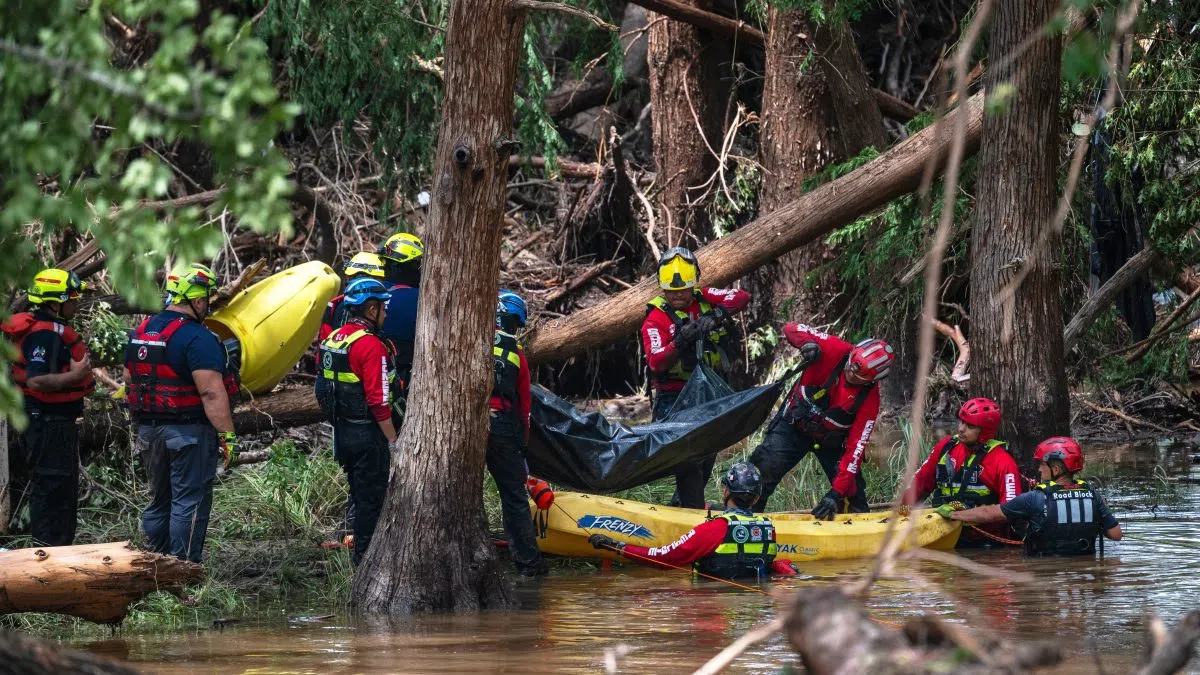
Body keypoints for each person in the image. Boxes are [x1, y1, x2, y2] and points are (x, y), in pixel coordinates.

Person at [124, 263, 239, 562]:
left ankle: (154, 565)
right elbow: (211, 392)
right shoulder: (198, 338)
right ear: (197, 301)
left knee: (159, 500)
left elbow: (128, 378)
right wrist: (228, 436)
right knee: (189, 502)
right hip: (188, 432)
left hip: (149, 431)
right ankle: (183, 571)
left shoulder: (141, 331)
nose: (208, 305)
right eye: (207, 300)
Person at [640, 247, 750, 508]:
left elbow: (741, 296)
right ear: (662, 287)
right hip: (675, 399)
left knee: (706, 459)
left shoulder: (705, 298)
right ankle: (692, 512)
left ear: (694, 284)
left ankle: (681, 510)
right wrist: (680, 342)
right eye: (672, 290)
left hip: (708, 392)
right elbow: (656, 361)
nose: (678, 295)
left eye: (684, 289)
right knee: (688, 461)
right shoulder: (655, 319)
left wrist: (714, 317)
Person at [749, 325, 893, 518]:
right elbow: (791, 328)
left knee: (852, 495)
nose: (849, 373)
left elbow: (855, 449)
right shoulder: (833, 348)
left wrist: (835, 494)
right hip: (793, 425)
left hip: (831, 443)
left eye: (856, 375)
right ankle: (744, 516)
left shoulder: (869, 400)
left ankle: (851, 532)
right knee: (762, 471)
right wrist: (806, 344)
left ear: (871, 380)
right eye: (850, 366)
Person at [2, 268, 93, 546]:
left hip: (54, 423)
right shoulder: (44, 335)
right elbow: (38, 380)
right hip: (47, 424)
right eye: (73, 298)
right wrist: (76, 376)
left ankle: (59, 552)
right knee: (50, 490)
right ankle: (46, 554)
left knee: (61, 490)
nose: (76, 304)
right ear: (57, 301)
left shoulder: (51, 330)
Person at [587, 462, 795, 580]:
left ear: (725, 492)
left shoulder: (715, 528)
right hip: (752, 608)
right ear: (757, 498)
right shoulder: (769, 529)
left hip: (711, 606)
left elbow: (664, 557)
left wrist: (616, 546)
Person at [315, 277, 398, 565]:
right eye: (383, 309)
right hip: (367, 435)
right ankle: (365, 564)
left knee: (358, 493)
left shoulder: (332, 339)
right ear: (371, 310)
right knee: (371, 502)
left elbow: (321, 389)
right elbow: (379, 400)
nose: (386, 315)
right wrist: (392, 440)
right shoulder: (371, 347)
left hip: (343, 433)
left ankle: (359, 556)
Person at [938, 437, 1122, 555]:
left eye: (1043, 465)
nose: (1039, 469)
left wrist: (954, 515)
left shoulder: (1035, 499)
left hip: (1043, 573)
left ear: (1056, 469)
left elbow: (988, 513)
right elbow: (1116, 534)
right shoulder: (1093, 496)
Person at [903, 398, 1022, 545]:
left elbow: (1011, 510)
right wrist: (903, 508)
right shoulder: (946, 447)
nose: (961, 429)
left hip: (984, 541)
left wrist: (957, 515)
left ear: (985, 431)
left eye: (970, 426)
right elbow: (920, 481)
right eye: (962, 421)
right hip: (940, 533)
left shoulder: (1003, 462)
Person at [488, 291, 547, 576]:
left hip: (466, 425)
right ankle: (529, 564)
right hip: (502, 426)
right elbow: (524, 405)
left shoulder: (471, 337)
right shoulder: (516, 352)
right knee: (514, 496)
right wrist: (522, 441)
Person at [318, 252, 390, 341]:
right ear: (367, 278)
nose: (382, 283)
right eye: (380, 279)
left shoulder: (343, 301)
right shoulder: (348, 307)